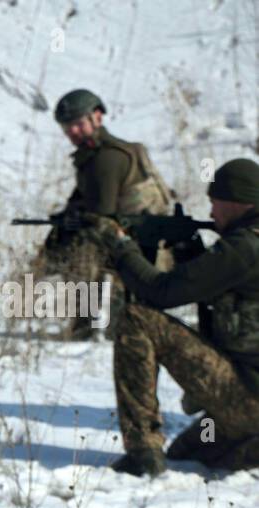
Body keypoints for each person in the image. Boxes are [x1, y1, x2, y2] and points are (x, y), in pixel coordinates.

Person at [85, 158, 259, 477]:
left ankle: (142, 452)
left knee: (138, 319)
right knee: (186, 453)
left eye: (215, 202)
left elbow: (162, 292)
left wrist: (122, 247)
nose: (210, 214)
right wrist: (186, 247)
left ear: (236, 201)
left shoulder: (246, 247)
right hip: (248, 397)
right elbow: (215, 288)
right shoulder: (248, 244)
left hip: (247, 399)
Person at [35, 88, 174, 340]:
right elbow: (85, 199)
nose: (72, 133)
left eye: (77, 124)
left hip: (134, 244)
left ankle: (85, 327)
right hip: (143, 243)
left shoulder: (106, 158)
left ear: (97, 117)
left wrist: (65, 232)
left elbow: (101, 215)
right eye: (67, 128)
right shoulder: (101, 154)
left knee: (82, 250)